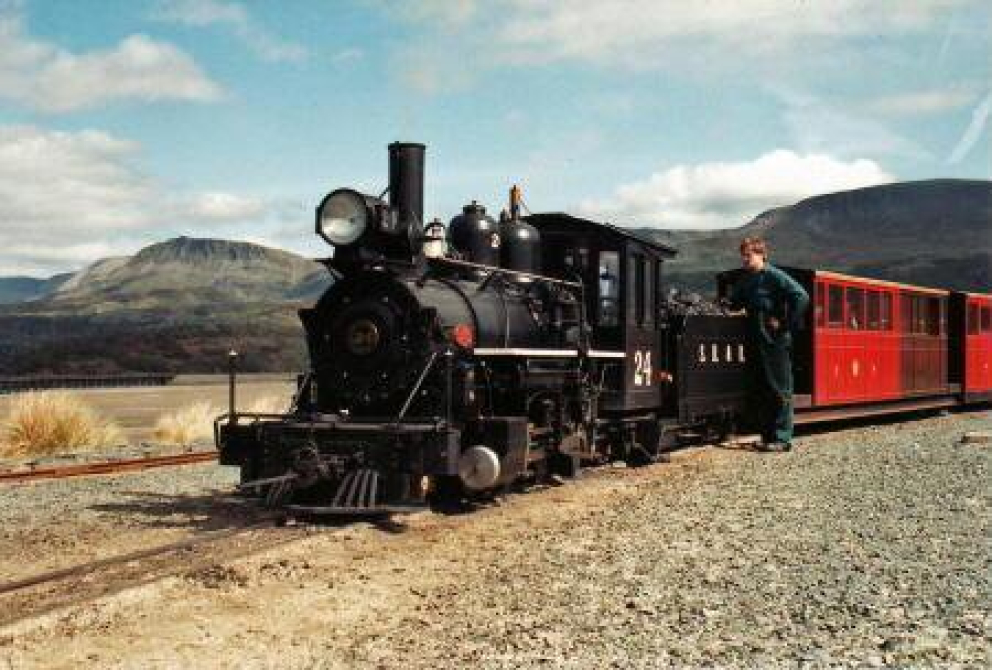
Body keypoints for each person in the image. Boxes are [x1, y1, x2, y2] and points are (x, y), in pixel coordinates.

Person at [728, 237, 809, 452]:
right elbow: (734, 302)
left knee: (780, 389)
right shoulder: (745, 281)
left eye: (748, 255)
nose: (745, 259)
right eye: (742, 256)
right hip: (754, 341)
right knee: (762, 390)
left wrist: (784, 323)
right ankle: (767, 436)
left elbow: (801, 297)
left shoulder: (775, 276)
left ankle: (782, 439)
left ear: (762, 254)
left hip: (775, 342)